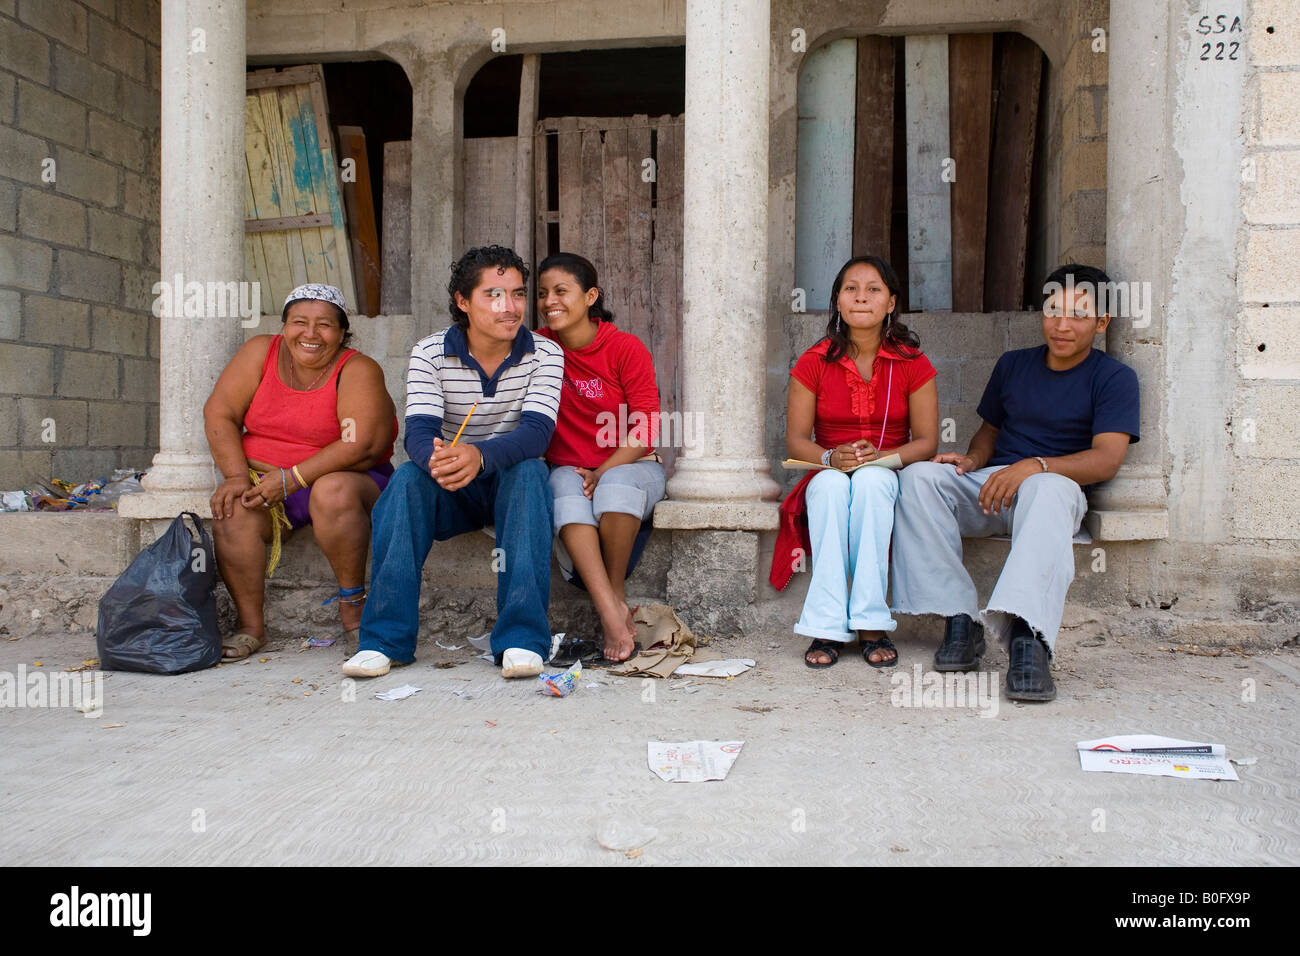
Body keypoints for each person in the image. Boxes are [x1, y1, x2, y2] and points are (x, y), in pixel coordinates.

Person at [891, 264, 1140, 701]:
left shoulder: (1114, 378)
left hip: (1053, 492)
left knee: (1047, 488)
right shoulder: (1013, 364)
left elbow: (1106, 460)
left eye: (1079, 314)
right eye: (1053, 310)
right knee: (919, 476)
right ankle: (960, 620)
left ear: (1101, 323)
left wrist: (1036, 466)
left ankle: (1028, 639)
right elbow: (988, 433)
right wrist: (971, 460)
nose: (1062, 324)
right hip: (996, 485)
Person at [341, 246, 564, 680]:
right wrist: (438, 460)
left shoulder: (545, 353)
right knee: (406, 477)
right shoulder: (430, 352)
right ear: (463, 301)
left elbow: (537, 432)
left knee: (532, 470)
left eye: (518, 294)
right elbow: (419, 433)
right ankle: (384, 641)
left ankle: (521, 638)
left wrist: (480, 456)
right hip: (450, 485)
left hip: (509, 483)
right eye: (493, 294)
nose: (510, 307)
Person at [204, 283, 398, 660]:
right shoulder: (261, 352)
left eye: (324, 325)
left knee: (331, 491)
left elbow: (359, 445)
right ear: (284, 326)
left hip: (345, 478)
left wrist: (292, 478)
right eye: (299, 322)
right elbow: (220, 413)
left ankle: (353, 611)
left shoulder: (356, 369)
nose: (310, 334)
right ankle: (251, 627)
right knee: (232, 510)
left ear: (342, 332)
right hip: (265, 479)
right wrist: (236, 477)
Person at [772, 255, 939, 669]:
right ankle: (827, 623)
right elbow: (796, 441)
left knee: (871, 484)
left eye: (874, 289)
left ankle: (870, 621)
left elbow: (928, 442)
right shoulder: (813, 362)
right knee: (829, 487)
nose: (861, 297)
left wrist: (882, 458)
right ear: (838, 302)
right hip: (829, 468)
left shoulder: (912, 362)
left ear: (891, 303)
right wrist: (830, 457)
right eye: (851, 288)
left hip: (886, 471)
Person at [535, 253, 665, 664]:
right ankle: (610, 610)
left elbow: (647, 424)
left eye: (561, 291)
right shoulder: (538, 349)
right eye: (542, 293)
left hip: (633, 463)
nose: (549, 300)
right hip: (569, 468)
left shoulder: (623, 347)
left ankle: (615, 593)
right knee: (562, 488)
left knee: (615, 485)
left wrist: (604, 468)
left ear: (590, 296)